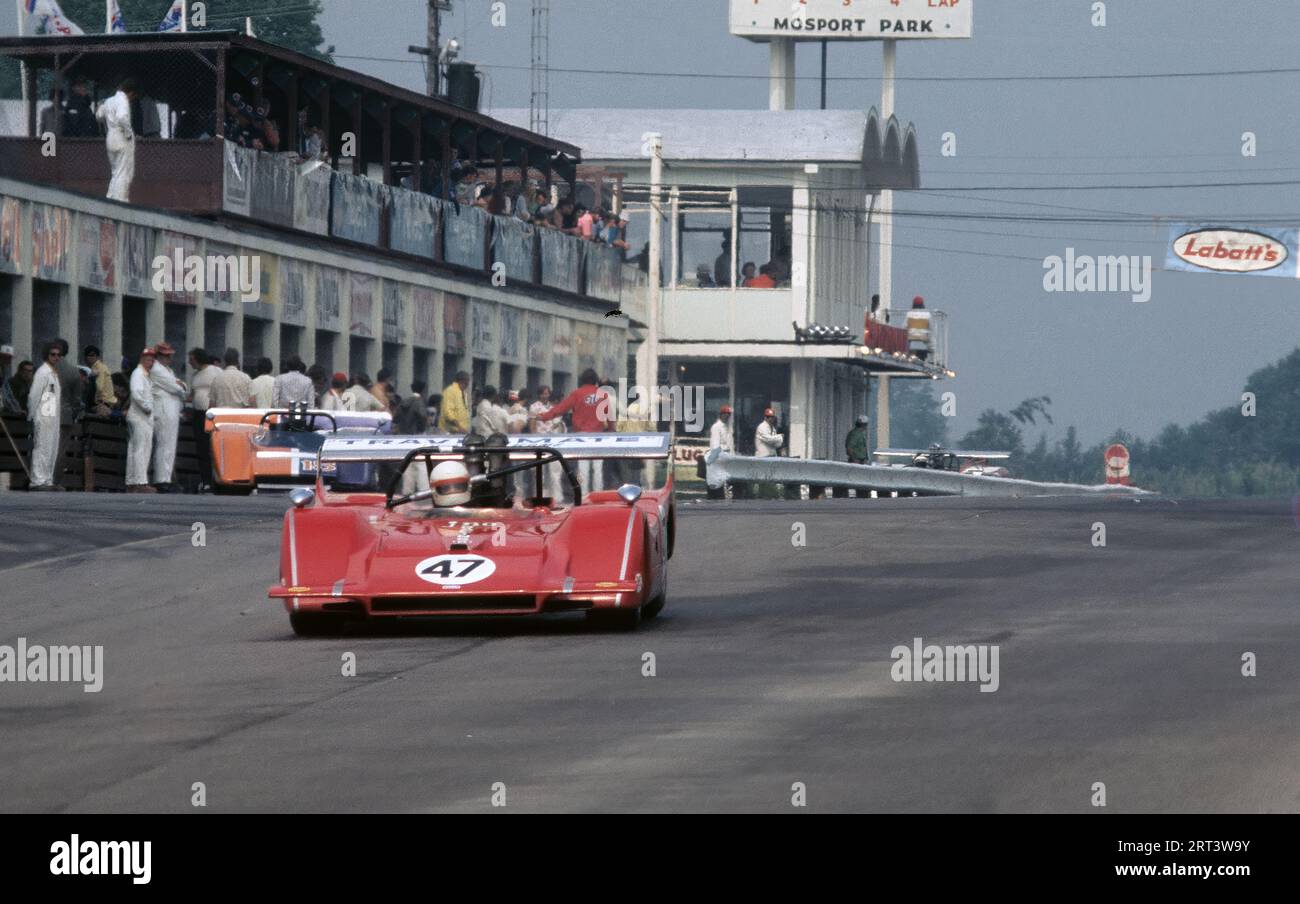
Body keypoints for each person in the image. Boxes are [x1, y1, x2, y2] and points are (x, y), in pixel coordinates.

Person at [537, 368, 612, 493]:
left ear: (582, 380)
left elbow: (561, 408)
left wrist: (544, 416)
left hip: (581, 437)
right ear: (595, 381)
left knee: (582, 469)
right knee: (598, 468)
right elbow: (609, 416)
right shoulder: (603, 395)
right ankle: (598, 494)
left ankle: (582, 495)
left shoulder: (576, 394)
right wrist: (610, 431)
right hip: (599, 436)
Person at [25, 342, 63, 490]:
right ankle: (37, 480)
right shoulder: (42, 372)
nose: (56, 357)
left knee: (52, 448)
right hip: (43, 414)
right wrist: (32, 414)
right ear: (46, 355)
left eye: (58, 355)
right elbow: (34, 395)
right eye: (53, 354)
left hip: (52, 415)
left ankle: (47, 478)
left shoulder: (53, 373)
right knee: (42, 447)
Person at [96, 77, 139, 203]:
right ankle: (120, 201)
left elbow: (98, 116)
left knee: (115, 172)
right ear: (130, 93)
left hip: (110, 137)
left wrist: (102, 107)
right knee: (122, 172)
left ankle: (110, 197)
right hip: (121, 137)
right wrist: (128, 133)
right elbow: (122, 117)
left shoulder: (109, 101)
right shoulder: (123, 100)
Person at [150, 342, 186, 488]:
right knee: (164, 445)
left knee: (169, 446)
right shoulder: (156, 369)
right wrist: (180, 385)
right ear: (158, 356)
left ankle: (166, 478)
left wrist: (180, 385)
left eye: (169, 355)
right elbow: (177, 388)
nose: (169, 358)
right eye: (165, 355)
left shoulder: (168, 370)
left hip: (171, 411)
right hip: (163, 411)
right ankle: (161, 479)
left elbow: (182, 385)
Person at [126, 348, 156, 493]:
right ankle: (140, 481)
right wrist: (147, 407)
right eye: (148, 359)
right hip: (140, 415)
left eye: (152, 359)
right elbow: (136, 393)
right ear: (142, 359)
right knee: (141, 449)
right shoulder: (138, 374)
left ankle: (132, 480)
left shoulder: (145, 375)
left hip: (141, 416)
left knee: (135, 448)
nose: (150, 362)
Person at [85, 345, 115, 414]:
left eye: (92, 355)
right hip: (104, 404)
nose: (90, 358)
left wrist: (95, 403)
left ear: (97, 357)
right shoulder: (99, 367)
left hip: (103, 405)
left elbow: (99, 387)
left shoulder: (99, 368)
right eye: (88, 355)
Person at [907, 295, 931, 362]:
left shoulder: (909, 314)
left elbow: (904, 329)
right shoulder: (927, 315)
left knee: (911, 362)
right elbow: (931, 332)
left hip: (911, 346)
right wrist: (932, 350)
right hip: (923, 346)